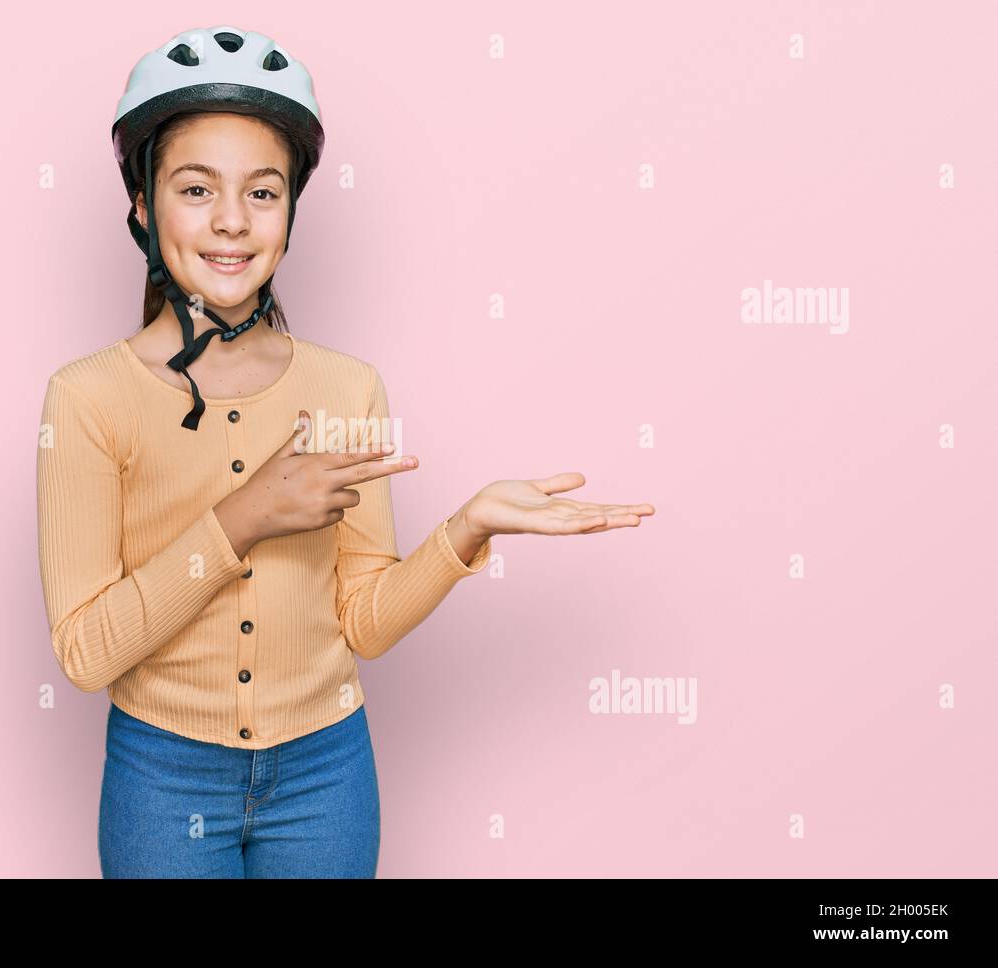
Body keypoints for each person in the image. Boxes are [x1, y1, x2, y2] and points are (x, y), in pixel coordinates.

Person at [36, 25, 655, 879]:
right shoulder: (86, 399)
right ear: (143, 205)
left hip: (327, 773)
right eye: (194, 188)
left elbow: (362, 622)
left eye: (263, 192)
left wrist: (465, 531)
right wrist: (246, 516)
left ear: (291, 210)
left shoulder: (346, 389)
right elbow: (84, 654)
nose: (230, 221)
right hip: (162, 777)